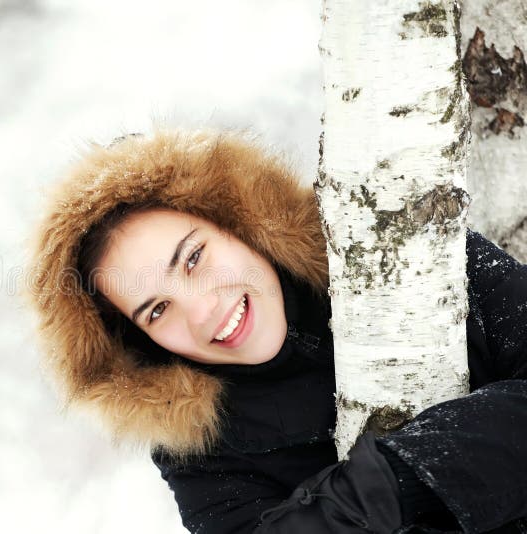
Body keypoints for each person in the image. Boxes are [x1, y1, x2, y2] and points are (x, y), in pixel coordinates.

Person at [27, 129, 527, 533]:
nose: (202, 311)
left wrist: (396, 483)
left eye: (195, 258)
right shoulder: (197, 449)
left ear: (239, 223)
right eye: (157, 311)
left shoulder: (404, 251)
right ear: (140, 343)